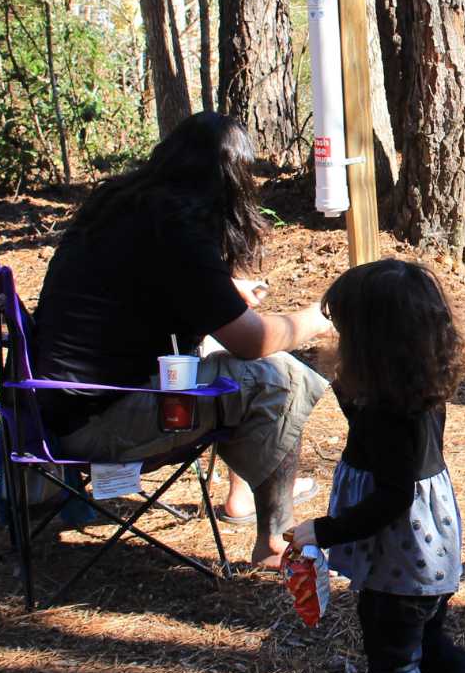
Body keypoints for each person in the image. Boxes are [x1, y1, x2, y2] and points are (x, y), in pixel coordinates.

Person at [32, 111, 331, 566]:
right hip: (101, 421)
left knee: (220, 356)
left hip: (59, 407)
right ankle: (273, 541)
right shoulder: (179, 231)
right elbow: (253, 341)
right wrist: (322, 315)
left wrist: (221, 292)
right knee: (280, 376)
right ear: (229, 178)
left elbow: (140, 288)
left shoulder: (124, 205)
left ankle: (245, 500)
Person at [289, 258, 465, 673]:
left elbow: (389, 500)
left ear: (372, 344)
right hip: (427, 552)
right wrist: (344, 392)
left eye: (346, 332)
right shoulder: (414, 391)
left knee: (393, 661)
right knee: (430, 642)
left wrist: (323, 530)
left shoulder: (392, 415)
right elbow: (369, 435)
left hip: (398, 559)